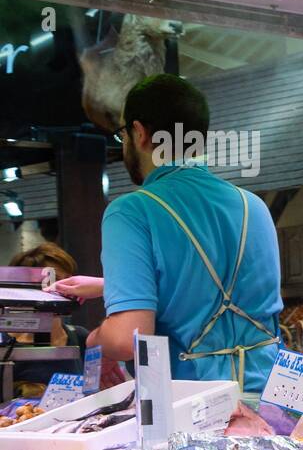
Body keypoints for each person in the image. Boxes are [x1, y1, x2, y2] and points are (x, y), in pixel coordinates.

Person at [54, 74, 282, 393]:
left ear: (139, 132)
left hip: (197, 415)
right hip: (272, 403)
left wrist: (94, 341)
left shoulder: (132, 210)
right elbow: (201, 288)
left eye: (122, 135)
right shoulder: (253, 206)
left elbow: (127, 338)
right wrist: (111, 286)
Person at [6, 242, 89, 388]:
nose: (65, 288)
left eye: (68, 280)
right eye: (54, 280)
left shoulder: (81, 337)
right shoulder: (5, 343)